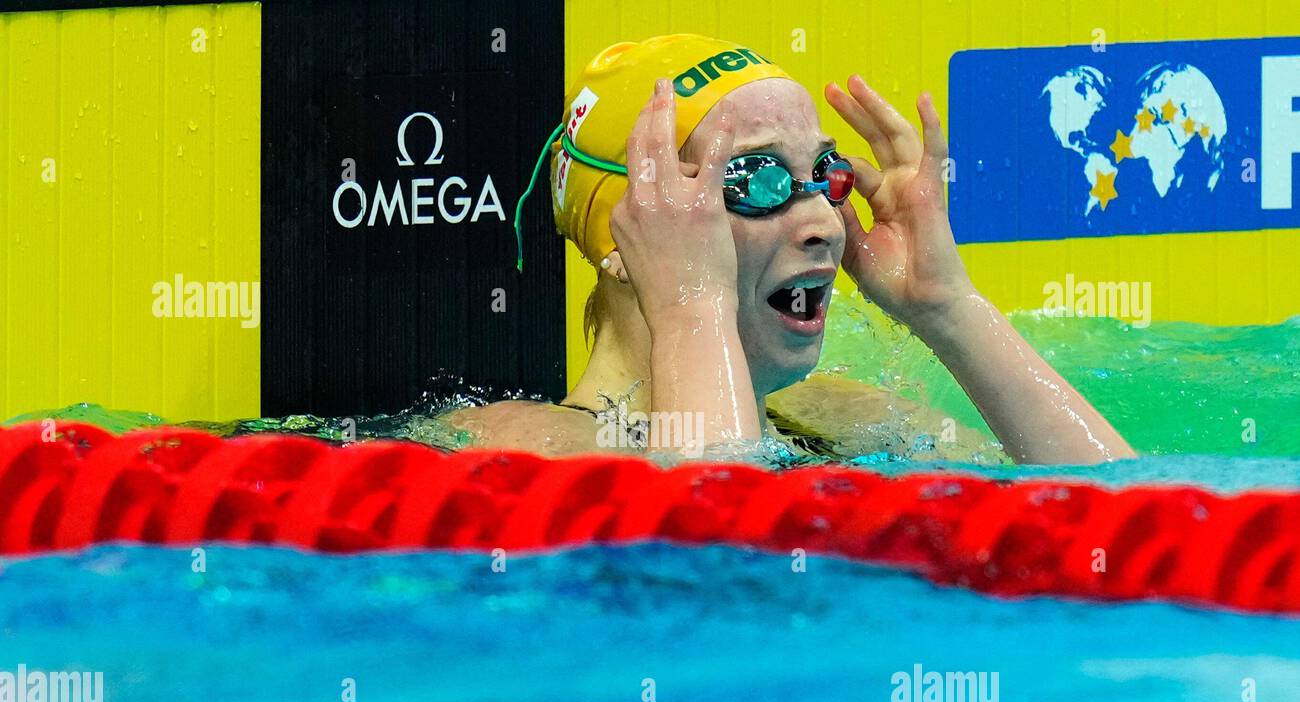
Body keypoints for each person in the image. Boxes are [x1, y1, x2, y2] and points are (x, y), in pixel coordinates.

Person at [444, 34, 1134, 464]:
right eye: (756, 179)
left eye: (827, 176)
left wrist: (948, 309)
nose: (827, 225)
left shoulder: (848, 419)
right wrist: (691, 308)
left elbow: (1117, 527)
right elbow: (718, 588)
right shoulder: (515, 448)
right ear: (624, 235)